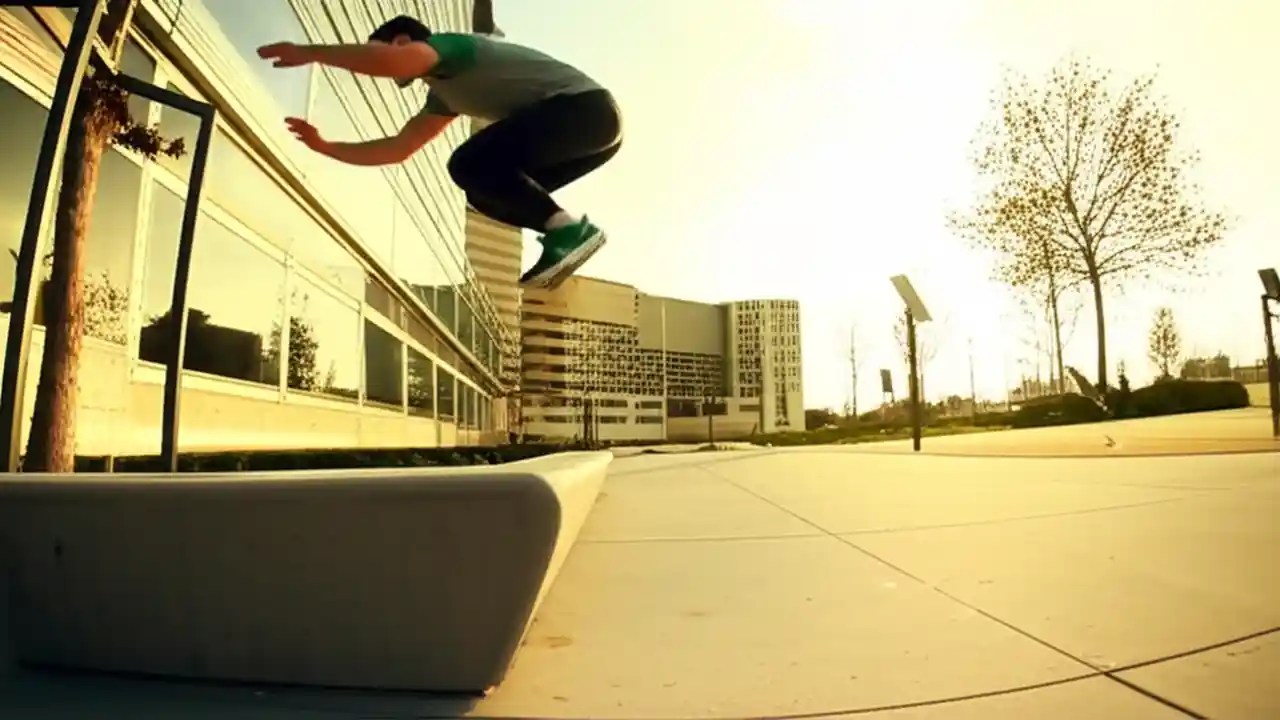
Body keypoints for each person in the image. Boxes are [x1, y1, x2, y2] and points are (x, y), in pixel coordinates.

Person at [256, 1, 622, 289]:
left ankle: (567, 230)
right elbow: (398, 149)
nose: (383, 73)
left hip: (586, 112)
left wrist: (311, 52)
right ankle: (568, 230)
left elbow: (390, 60)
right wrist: (325, 146)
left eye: (377, 53)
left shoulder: (450, 47)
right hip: (594, 137)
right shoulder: (444, 98)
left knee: (466, 165)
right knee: (482, 193)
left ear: (401, 40)